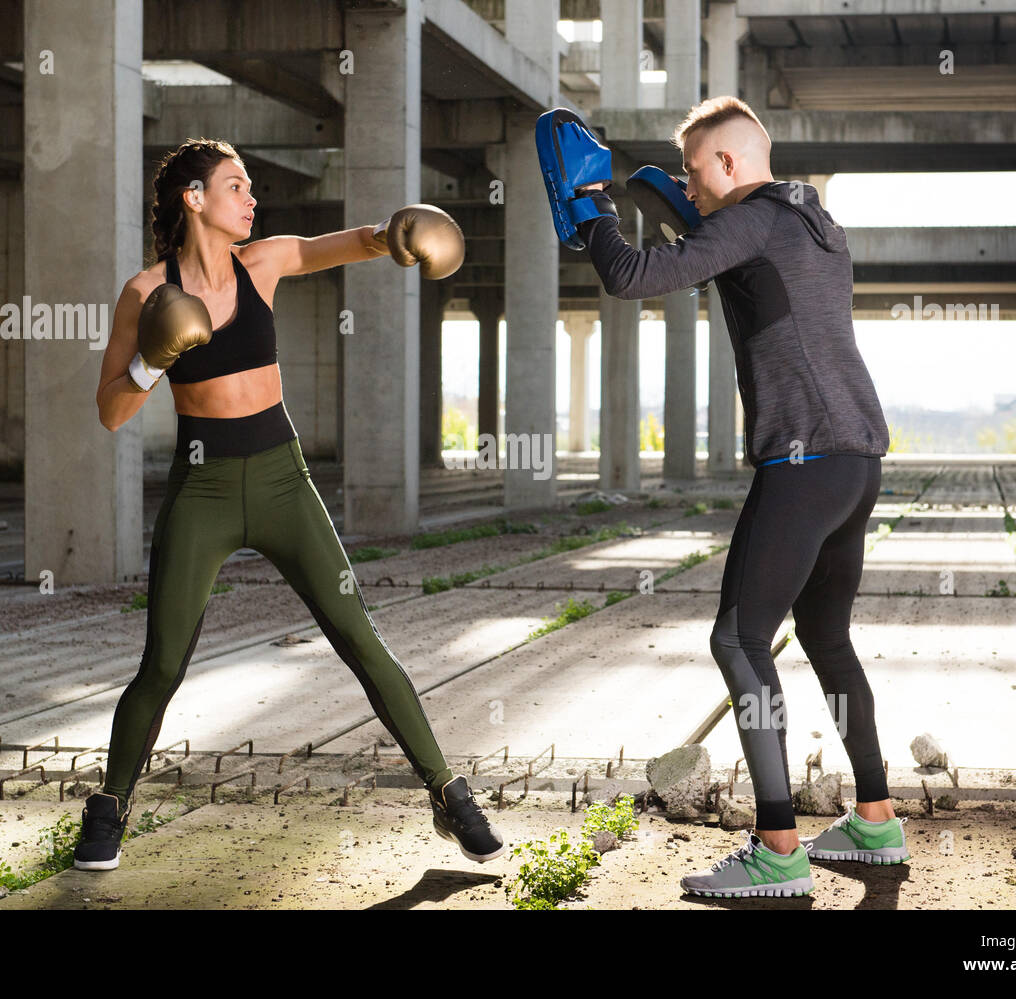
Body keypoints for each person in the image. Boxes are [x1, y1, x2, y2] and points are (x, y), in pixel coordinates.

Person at [74, 137, 504, 871]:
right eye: (236, 186)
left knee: (358, 635)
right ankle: (109, 807)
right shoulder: (146, 293)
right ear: (194, 198)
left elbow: (351, 243)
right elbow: (112, 410)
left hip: (284, 480)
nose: (251, 198)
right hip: (203, 487)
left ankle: (448, 791)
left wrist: (397, 235)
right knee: (163, 663)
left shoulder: (263, 261)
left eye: (251, 187)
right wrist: (152, 358)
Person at [575, 97, 908, 898]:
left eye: (694, 171)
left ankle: (779, 848)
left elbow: (628, 276)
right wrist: (682, 215)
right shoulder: (812, 222)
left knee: (738, 639)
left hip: (804, 460)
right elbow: (728, 266)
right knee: (827, 641)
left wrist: (591, 210)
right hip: (858, 457)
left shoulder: (750, 221)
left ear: (728, 163)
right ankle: (875, 822)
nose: (688, 186)